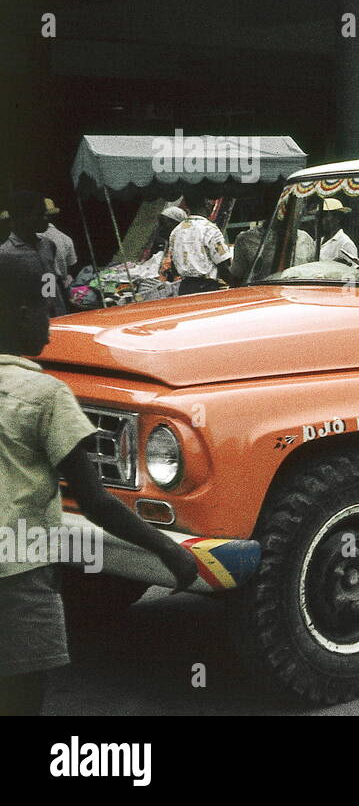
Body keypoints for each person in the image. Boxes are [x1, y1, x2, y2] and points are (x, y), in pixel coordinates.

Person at [0, 260, 198, 716]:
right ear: (23, 314)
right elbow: (96, 502)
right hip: (18, 580)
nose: (50, 326)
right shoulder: (46, 396)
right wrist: (167, 552)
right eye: (45, 311)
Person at [0, 190, 68, 317]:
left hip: (58, 319)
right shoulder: (5, 255)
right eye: (40, 214)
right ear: (22, 217)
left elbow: (50, 282)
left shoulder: (48, 245)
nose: (45, 218)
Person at [165, 193, 233, 295]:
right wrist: (237, 284)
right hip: (208, 289)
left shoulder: (176, 231)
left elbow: (174, 267)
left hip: (184, 289)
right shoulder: (210, 229)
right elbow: (224, 264)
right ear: (207, 203)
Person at [37, 198, 77, 289]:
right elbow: (70, 266)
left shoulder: (34, 238)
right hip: (61, 288)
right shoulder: (66, 239)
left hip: (41, 288)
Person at [318, 198, 358, 264]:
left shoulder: (345, 243)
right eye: (320, 216)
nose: (322, 220)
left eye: (325, 216)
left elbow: (353, 271)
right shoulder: (319, 241)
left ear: (337, 218)